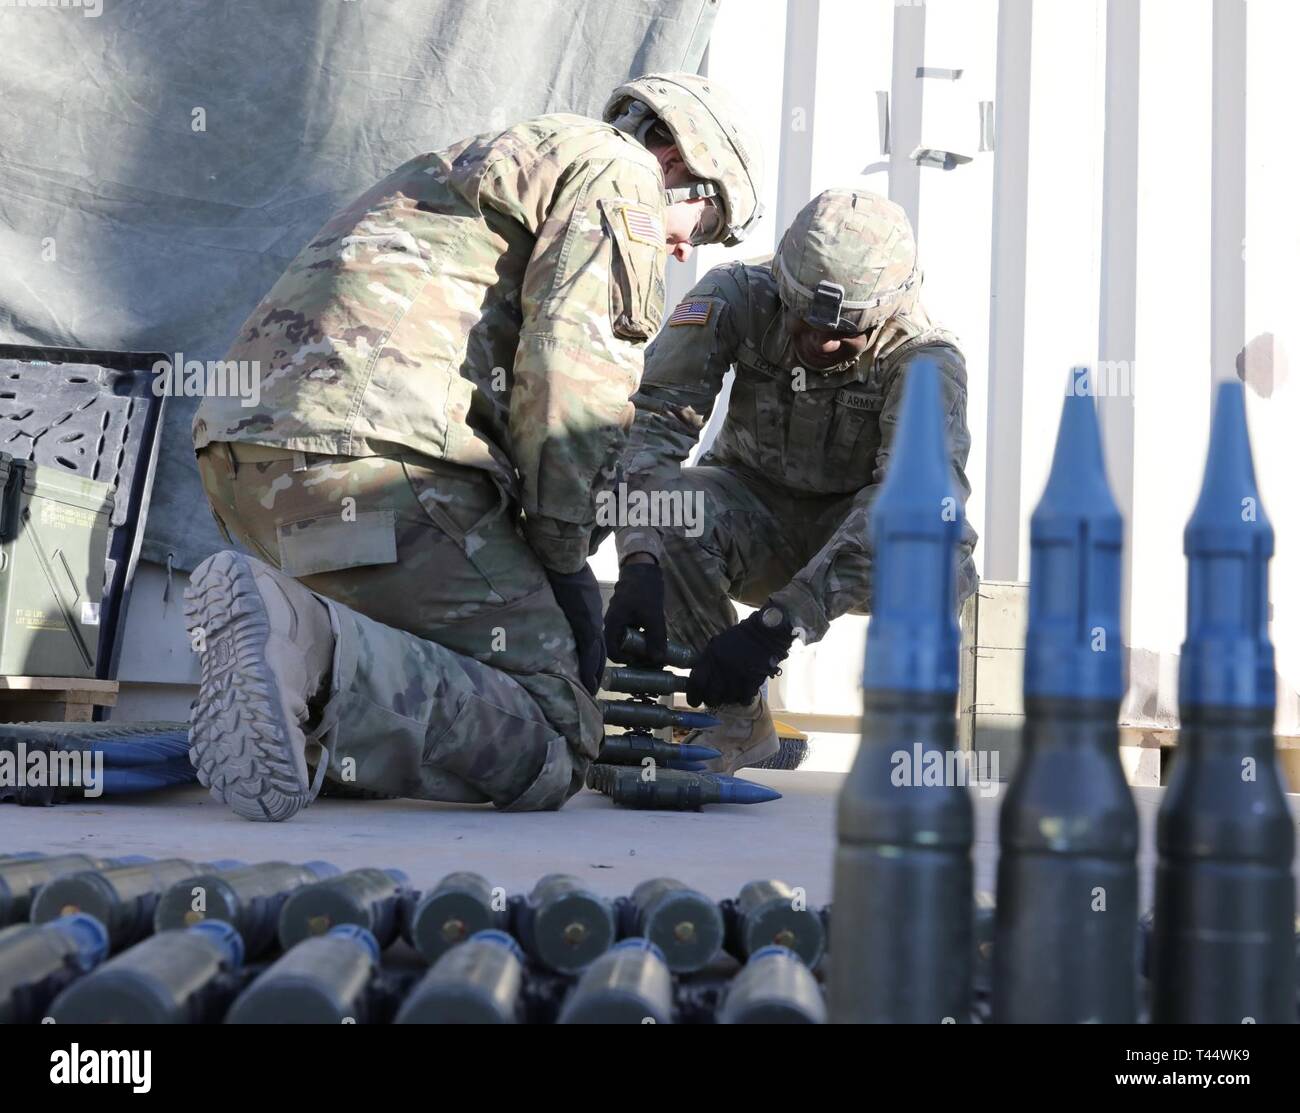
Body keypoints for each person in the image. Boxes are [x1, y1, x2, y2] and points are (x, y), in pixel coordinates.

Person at [186, 73, 763, 821]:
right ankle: (312, 648)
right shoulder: (622, 176)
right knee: (558, 729)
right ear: (682, 162)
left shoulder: (491, 159)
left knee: (445, 660)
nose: (686, 247)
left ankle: (298, 670)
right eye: (704, 225)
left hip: (250, 470)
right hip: (377, 470)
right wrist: (566, 565)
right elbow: (571, 390)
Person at [603, 187, 978, 773]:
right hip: (754, 518)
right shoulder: (736, 297)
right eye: (805, 322)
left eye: (844, 333)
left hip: (869, 551)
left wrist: (777, 628)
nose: (820, 344)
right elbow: (649, 427)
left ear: (887, 314)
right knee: (668, 511)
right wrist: (640, 558)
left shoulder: (925, 359)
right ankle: (733, 722)